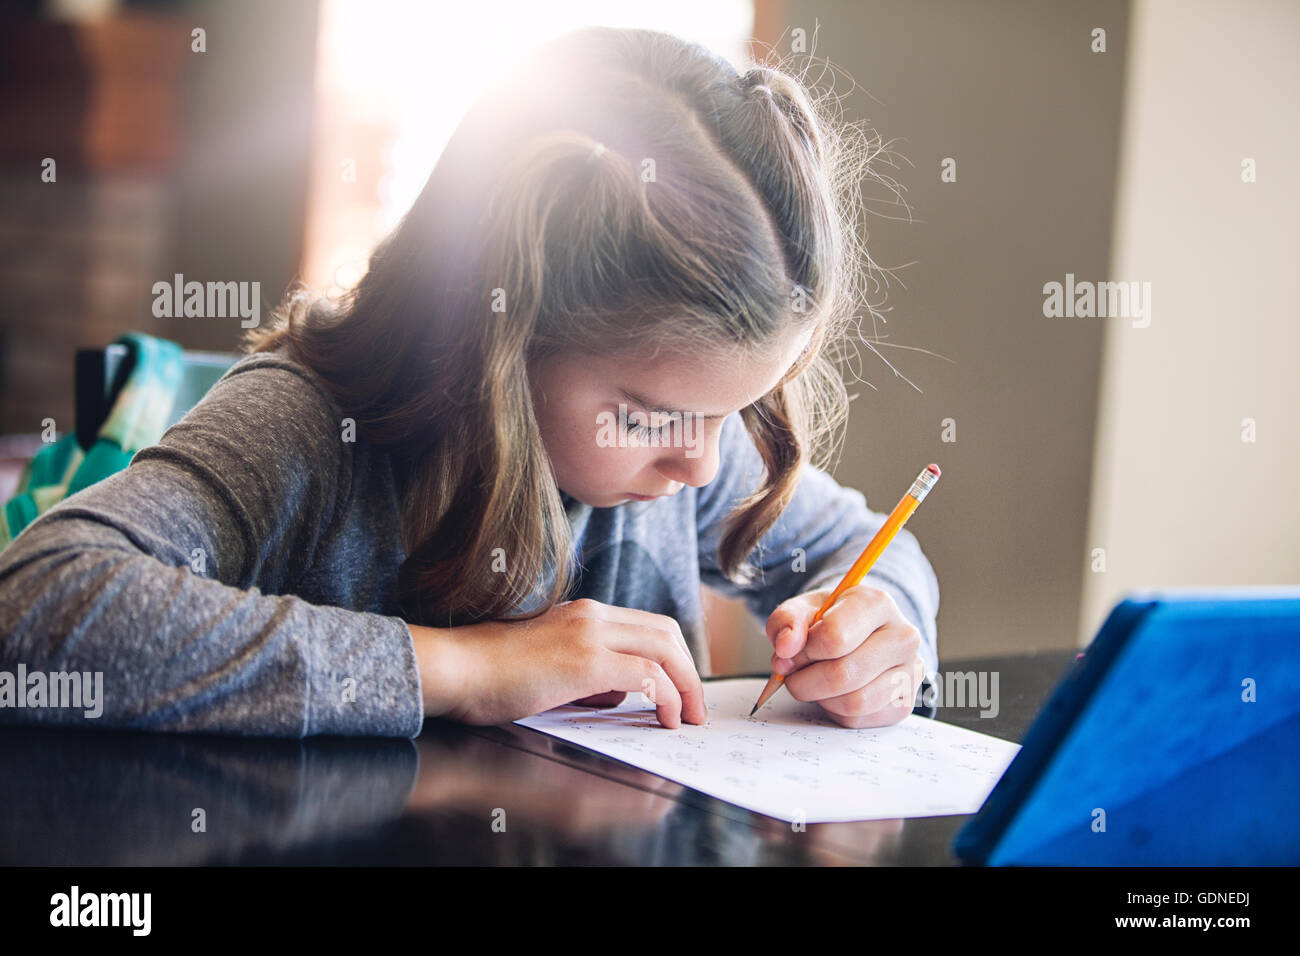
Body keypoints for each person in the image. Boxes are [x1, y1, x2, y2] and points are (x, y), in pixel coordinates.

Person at [0, 26, 938, 738]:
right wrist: (463, 670)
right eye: (649, 416)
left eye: (732, 412)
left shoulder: (687, 455)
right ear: (500, 337)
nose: (702, 464)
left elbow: (862, 547)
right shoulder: (308, 427)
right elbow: (36, 609)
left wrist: (878, 629)